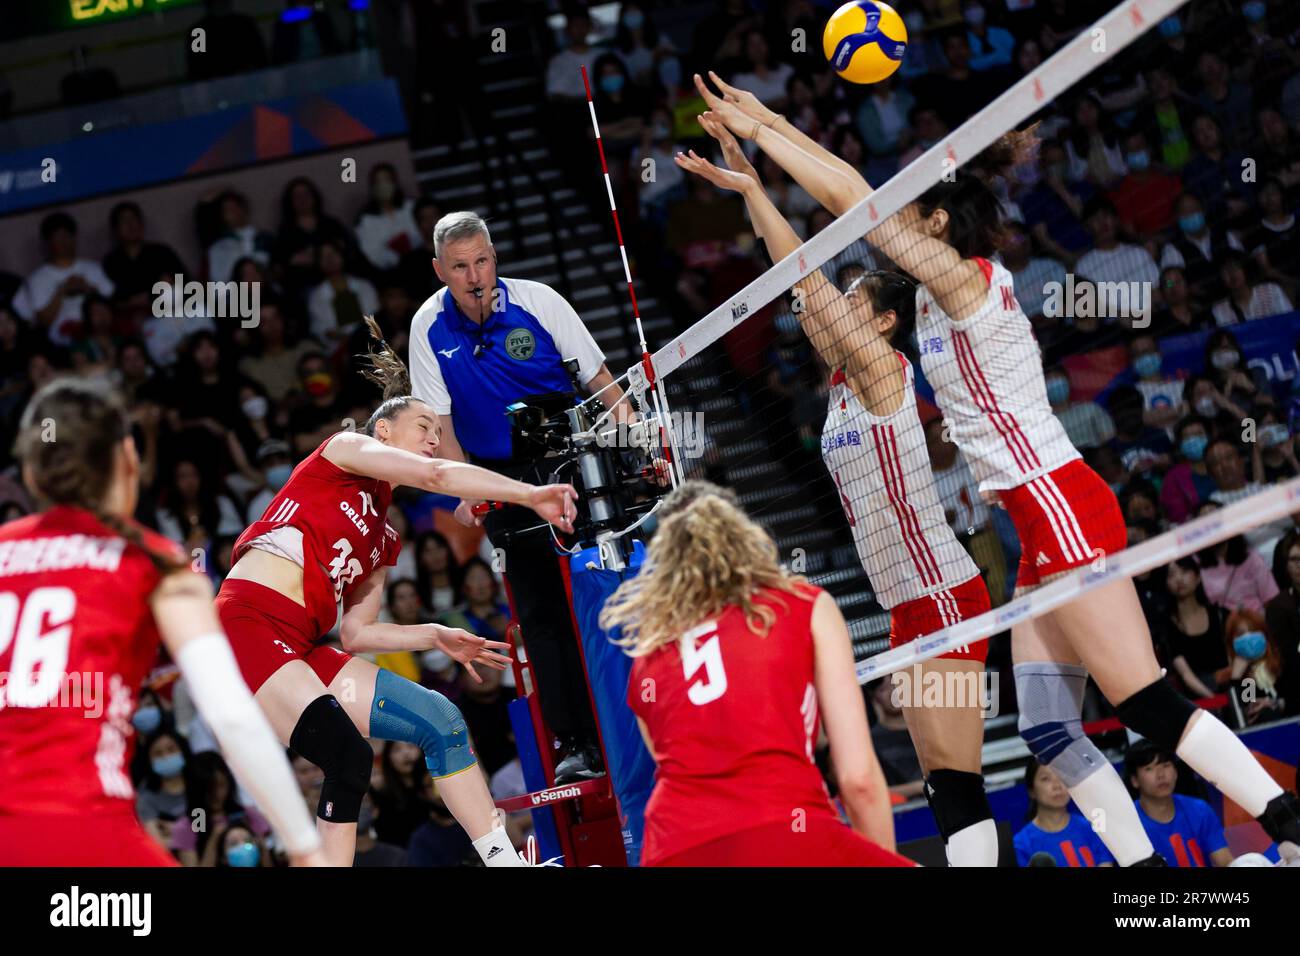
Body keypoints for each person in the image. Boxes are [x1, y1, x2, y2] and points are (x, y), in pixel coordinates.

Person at [693, 71, 1300, 863]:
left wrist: (771, 130)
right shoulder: (928, 304)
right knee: (1048, 726)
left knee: (1146, 702)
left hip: (1058, 502)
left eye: (909, 209)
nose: (893, 221)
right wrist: (761, 152)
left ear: (937, 223)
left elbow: (851, 197)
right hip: (1031, 525)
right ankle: (1147, 874)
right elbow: (814, 263)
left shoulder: (967, 282)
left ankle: (1286, 826)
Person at [677, 118, 998, 865]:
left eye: (853, 301)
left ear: (885, 322)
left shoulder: (888, 375)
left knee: (959, 775)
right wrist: (752, 190)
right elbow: (799, 282)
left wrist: (760, 182)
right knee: (939, 779)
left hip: (946, 594)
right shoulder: (844, 389)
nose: (833, 309)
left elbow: (802, 278)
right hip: (901, 605)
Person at [215, 318, 578, 866]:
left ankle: (505, 862)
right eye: (424, 425)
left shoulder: (384, 535)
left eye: (438, 430)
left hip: (307, 644)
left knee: (441, 719)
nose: (435, 439)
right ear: (384, 432)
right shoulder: (343, 450)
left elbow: (358, 633)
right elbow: (436, 476)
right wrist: (531, 494)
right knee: (347, 757)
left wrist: (433, 634)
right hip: (250, 623)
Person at [0, 377, 322, 866]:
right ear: (128, 458)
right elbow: (231, 716)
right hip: (82, 828)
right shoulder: (155, 562)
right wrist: (304, 848)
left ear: (31, 474)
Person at [408, 210, 638, 784]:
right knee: (540, 616)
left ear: (495, 258)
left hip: (572, 463)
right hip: (500, 481)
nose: (475, 276)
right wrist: (462, 485)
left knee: (608, 590)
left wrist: (635, 443)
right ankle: (579, 743)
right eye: (460, 267)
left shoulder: (540, 301)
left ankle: (643, 712)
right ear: (440, 270)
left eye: (482, 261)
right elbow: (440, 425)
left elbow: (602, 383)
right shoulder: (428, 327)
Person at [602, 481, 911, 867]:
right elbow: (858, 779)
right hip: (784, 830)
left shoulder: (648, 652)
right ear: (745, 539)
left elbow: (669, 759)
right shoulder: (801, 605)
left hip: (674, 847)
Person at [11, 211, 115, 347]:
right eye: (58, 237)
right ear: (47, 242)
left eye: (67, 236)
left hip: (102, 338)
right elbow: (43, 322)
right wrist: (62, 291)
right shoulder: (37, 279)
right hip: (62, 344)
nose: (64, 242)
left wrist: (90, 290)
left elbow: (113, 306)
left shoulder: (93, 268)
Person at [1125, 740, 1233, 867]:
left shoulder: (1199, 810)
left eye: (1166, 765)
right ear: (1134, 780)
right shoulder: (1128, 824)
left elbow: (1225, 861)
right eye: (1149, 769)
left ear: (1175, 772)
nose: (1161, 775)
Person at [1013, 760, 1114, 867]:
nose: (1057, 785)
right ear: (1031, 791)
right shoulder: (1021, 845)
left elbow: (1105, 862)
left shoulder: (1092, 829)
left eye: (1062, 777)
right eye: (1046, 779)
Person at [1164, 558, 1229, 700]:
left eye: (1185, 571)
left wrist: (1249, 699)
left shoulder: (1220, 614)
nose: (1179, 579)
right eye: (1171, 575)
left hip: (1233, 687)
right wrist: (1214, 701)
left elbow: (1242, 663)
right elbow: (1186, 675)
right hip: (1199, 699)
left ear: (1198, 577)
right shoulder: (1168, 626)